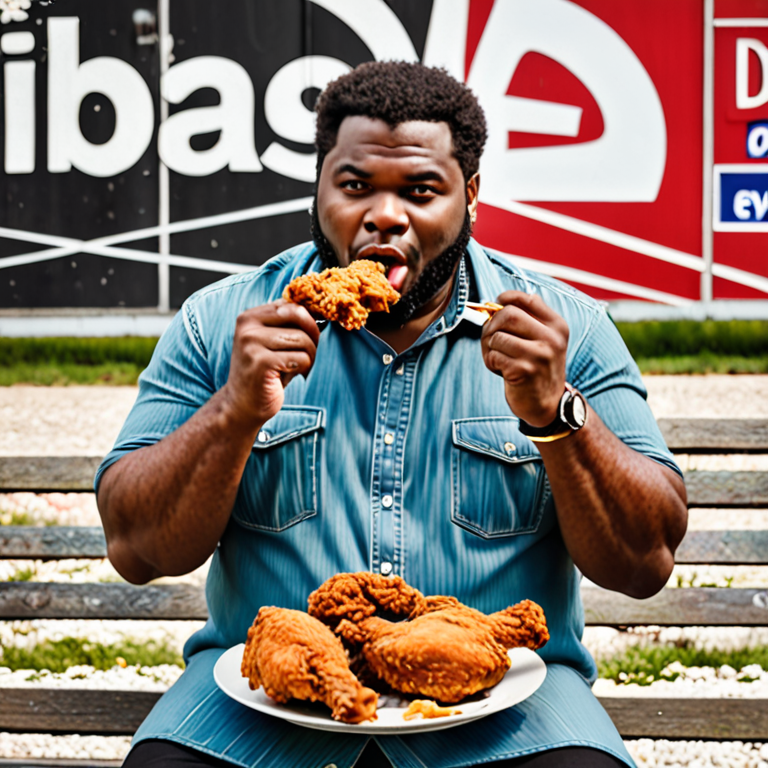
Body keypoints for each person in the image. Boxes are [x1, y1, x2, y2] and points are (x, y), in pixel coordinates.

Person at [96, 61, 687, 768]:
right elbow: (137, 550)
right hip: (264, 704)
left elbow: (645, 562)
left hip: (512, 714)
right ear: (319, 189)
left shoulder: (566, 330)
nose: (384, 214)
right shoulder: (217, 324)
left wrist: (557, 415)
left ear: (469, 196)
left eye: (420, 190)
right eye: (354, 187)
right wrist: (232, 412)